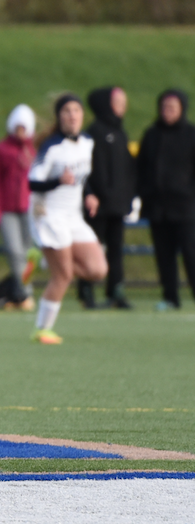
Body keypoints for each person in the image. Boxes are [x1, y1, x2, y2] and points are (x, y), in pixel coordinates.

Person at [27, 94, 108, 344]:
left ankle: (45, 258)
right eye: (66, 111)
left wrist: (90, 195)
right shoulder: (51, 146)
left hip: (73, 216)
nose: (72, 115)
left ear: (82, 115)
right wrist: (57, 181)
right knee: (62, 276)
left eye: (76, 110)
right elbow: (32, 182)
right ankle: (42, 329)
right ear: (60, 117)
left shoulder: (87, 142)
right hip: (49, 214)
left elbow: (82, 178)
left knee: (98, 270)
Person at [136, 89, 195, 311]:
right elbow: (141, 167)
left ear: (182, 109)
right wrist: (144, 191)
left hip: (186, 207)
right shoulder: (152, 134)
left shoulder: (191, 134)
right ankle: (170, 297)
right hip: (157, 206)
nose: (167, 111)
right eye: (164, 107)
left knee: (191, 253)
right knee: (164, 255)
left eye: (172, 107)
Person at [78, 87, 136, 309]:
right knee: (92, 247)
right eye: (118, 101)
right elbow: (86, 169)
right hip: (98, 204)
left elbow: (127, 170)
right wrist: (91, 193)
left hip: (117, 204)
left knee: (116, 248)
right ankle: (86, 288)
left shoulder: (120, 133)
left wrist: (128, 196)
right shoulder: (94, 132)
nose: (123, 106)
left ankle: (116, 289)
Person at [0, 104, 38, 309]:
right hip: (8, 209)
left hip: (29, 209)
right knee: (14, 250)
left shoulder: (34, 150)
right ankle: (22, 291)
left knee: (30, 252)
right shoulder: (2, 149)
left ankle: (24, 291)